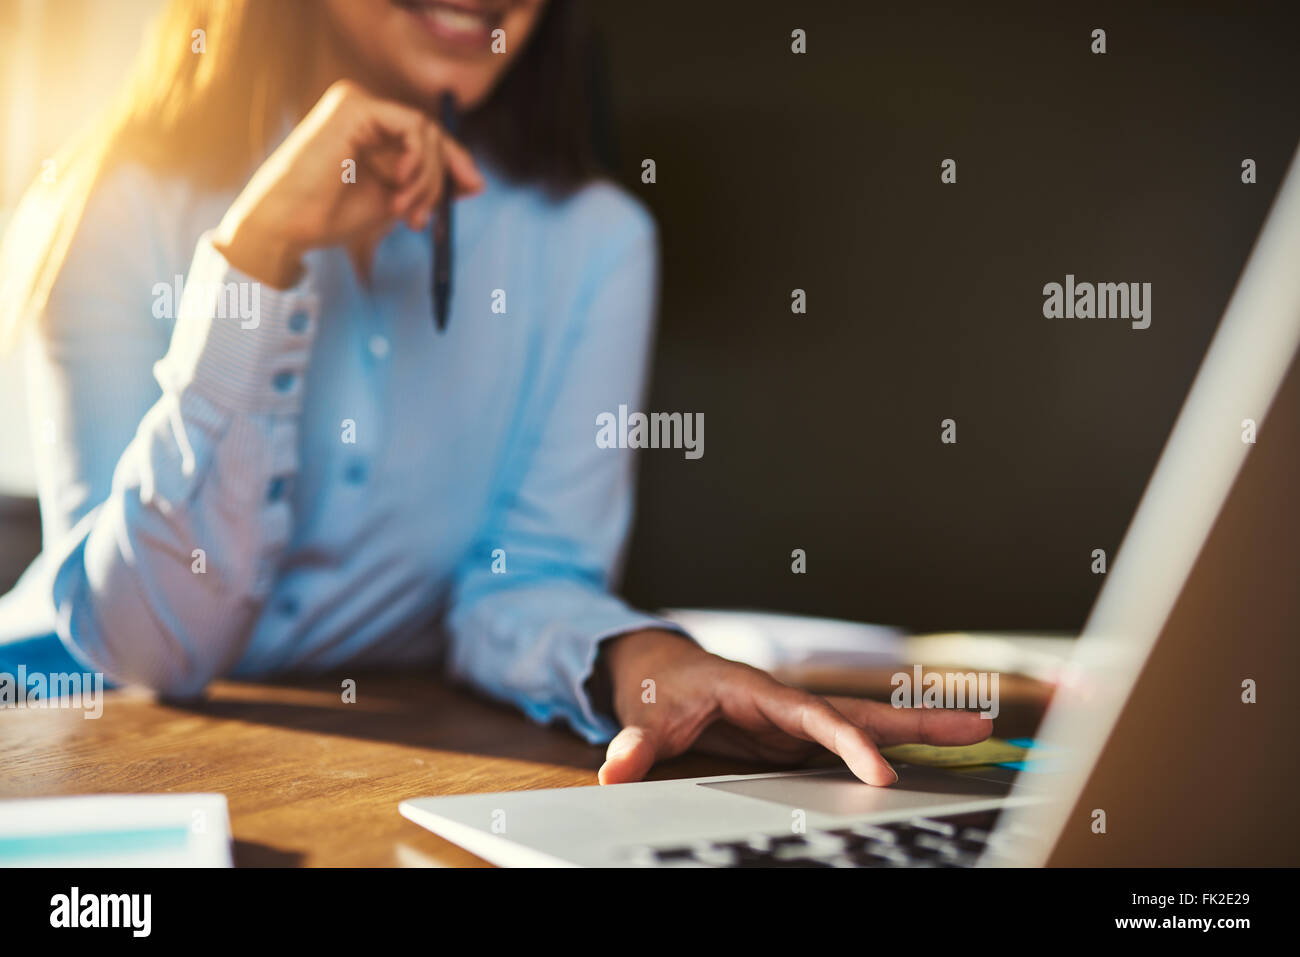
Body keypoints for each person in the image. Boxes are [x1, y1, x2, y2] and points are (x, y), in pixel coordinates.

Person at [0, 0, 988, 785]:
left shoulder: (594, 242)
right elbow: (150, 652)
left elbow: (524, 576)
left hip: (373, 761)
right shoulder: (115, 201)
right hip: (58, 732)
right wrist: (256, 260)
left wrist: (644, 664)